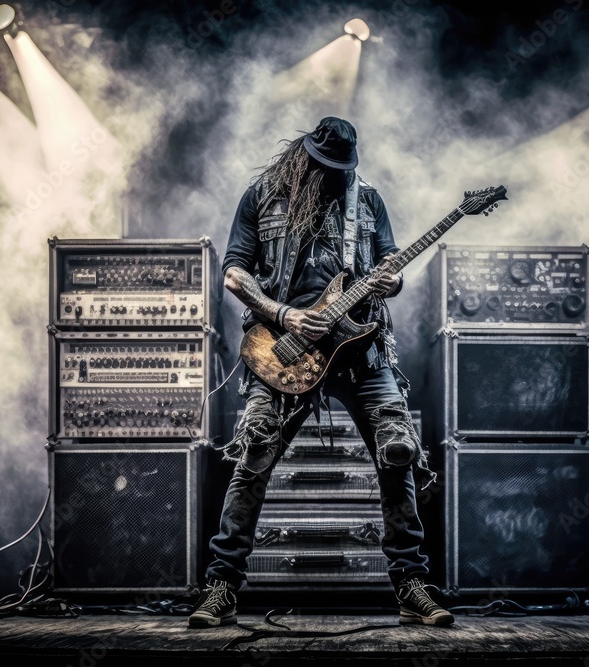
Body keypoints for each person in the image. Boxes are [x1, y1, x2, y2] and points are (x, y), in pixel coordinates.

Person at [188, 116, 454, 628]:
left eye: (342, 169)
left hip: (362, 348)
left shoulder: (367, 198)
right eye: (325, 166)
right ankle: (221, 587)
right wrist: (284, 314)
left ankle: (411, 586)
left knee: (397, 454)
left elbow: (389, 262)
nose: (333, 176)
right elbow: (235, 272)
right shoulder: (262, 196)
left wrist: (390, 282)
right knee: (254, 457)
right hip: (284, 346)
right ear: (305, 155)